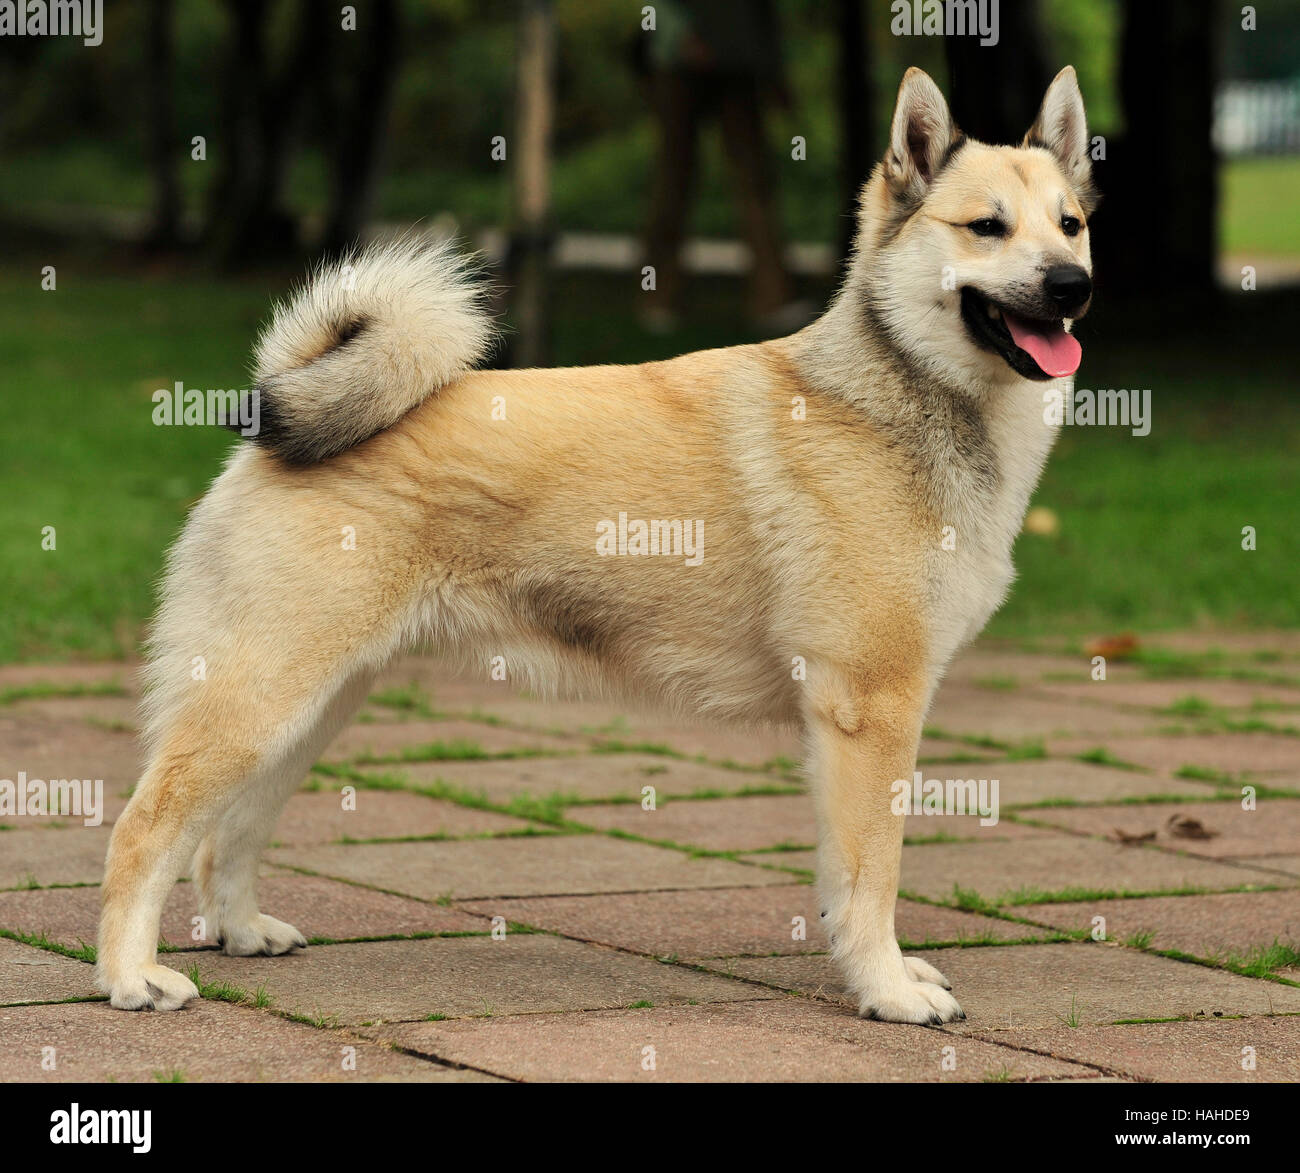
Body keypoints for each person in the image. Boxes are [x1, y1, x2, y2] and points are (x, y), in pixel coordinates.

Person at [640, 0, 807, 332]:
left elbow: (763, 12)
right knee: (673, 181)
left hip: (739, 62)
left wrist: (773, 71)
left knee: (755, 182)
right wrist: (679, 36)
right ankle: (657, 297)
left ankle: (772, 299)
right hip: (679, 62)